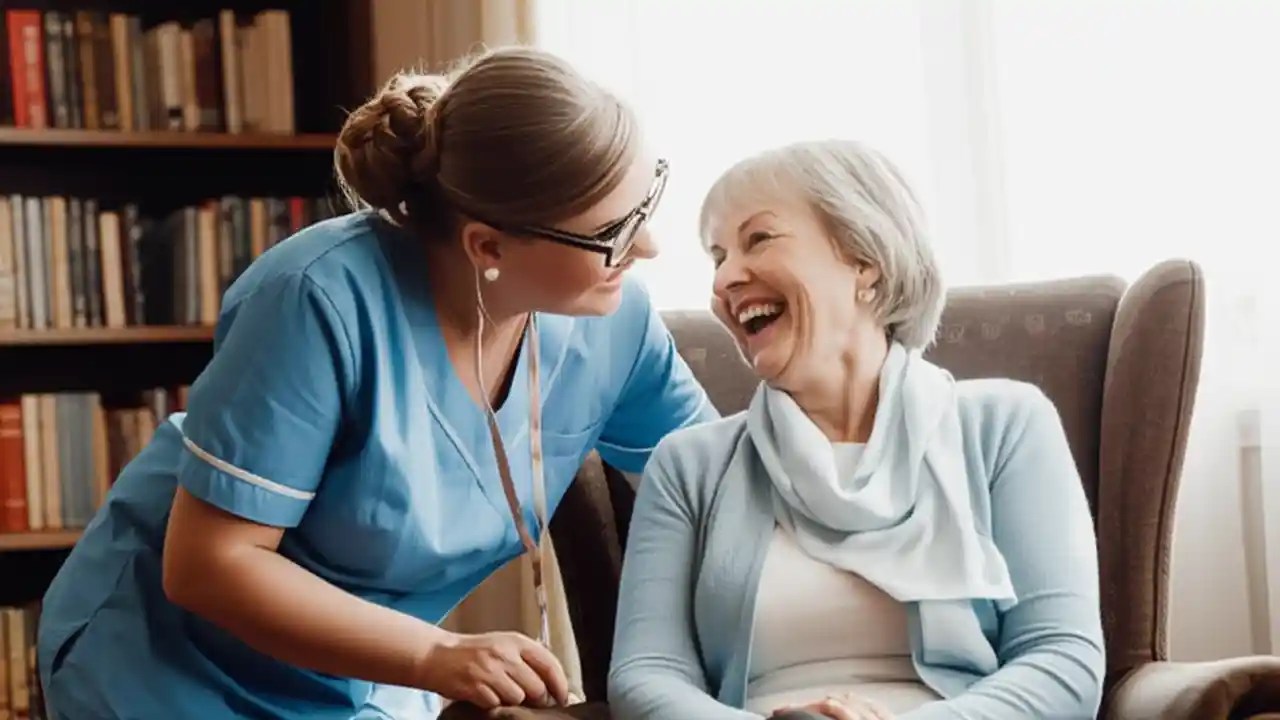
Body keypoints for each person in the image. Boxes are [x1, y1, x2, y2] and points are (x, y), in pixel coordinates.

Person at [37, 46, 716, 720]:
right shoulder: (314, 298)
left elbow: (720, 481)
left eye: (647, 200)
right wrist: (434, 656)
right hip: (169, 664)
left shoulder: (615, 321)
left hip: (358, 673)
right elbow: (209, 566)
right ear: (489, 247)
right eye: (613, 231)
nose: (647, 247)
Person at [606, 139, 1106, 720]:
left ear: (864, 261)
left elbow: (1062, 659)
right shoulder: (689, 465)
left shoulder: (1005, 426)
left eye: (757, 239)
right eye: (717, 257)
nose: (724, 281)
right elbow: (645, 677)